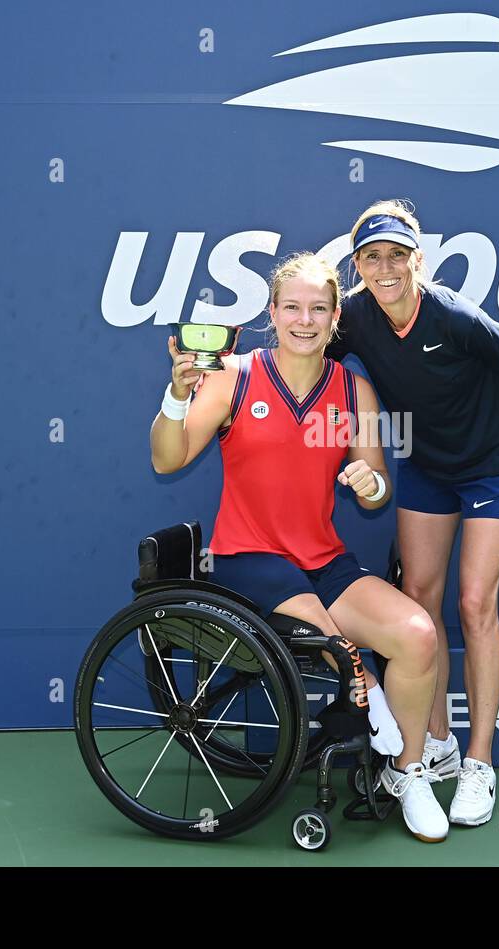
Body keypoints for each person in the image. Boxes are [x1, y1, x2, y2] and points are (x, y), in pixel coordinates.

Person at [150, 252, 449, 842]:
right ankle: (371, 702)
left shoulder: (351, 389)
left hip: (323, 561)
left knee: (417, 635)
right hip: (247, 558)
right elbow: (168, 457)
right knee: (336, 642)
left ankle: (407, 771)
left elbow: (373, 487)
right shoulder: (233, 376)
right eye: (292, 307)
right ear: (273, 312)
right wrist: (176, 396)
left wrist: (372, 482)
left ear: (336, 317)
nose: (304, 320)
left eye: (318, 309)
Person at [326, 201, 499, 827]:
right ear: (358, 265)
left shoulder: (457, 316)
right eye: (372, 257)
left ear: (419, 259)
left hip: (493, 465)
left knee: (476, 603)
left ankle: (479, 763)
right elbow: (302, 341)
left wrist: (468, 417)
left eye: (398, 255)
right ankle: (440, 743)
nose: (386, 268)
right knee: (419, 600)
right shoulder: (356, 318)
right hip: (424, 466)